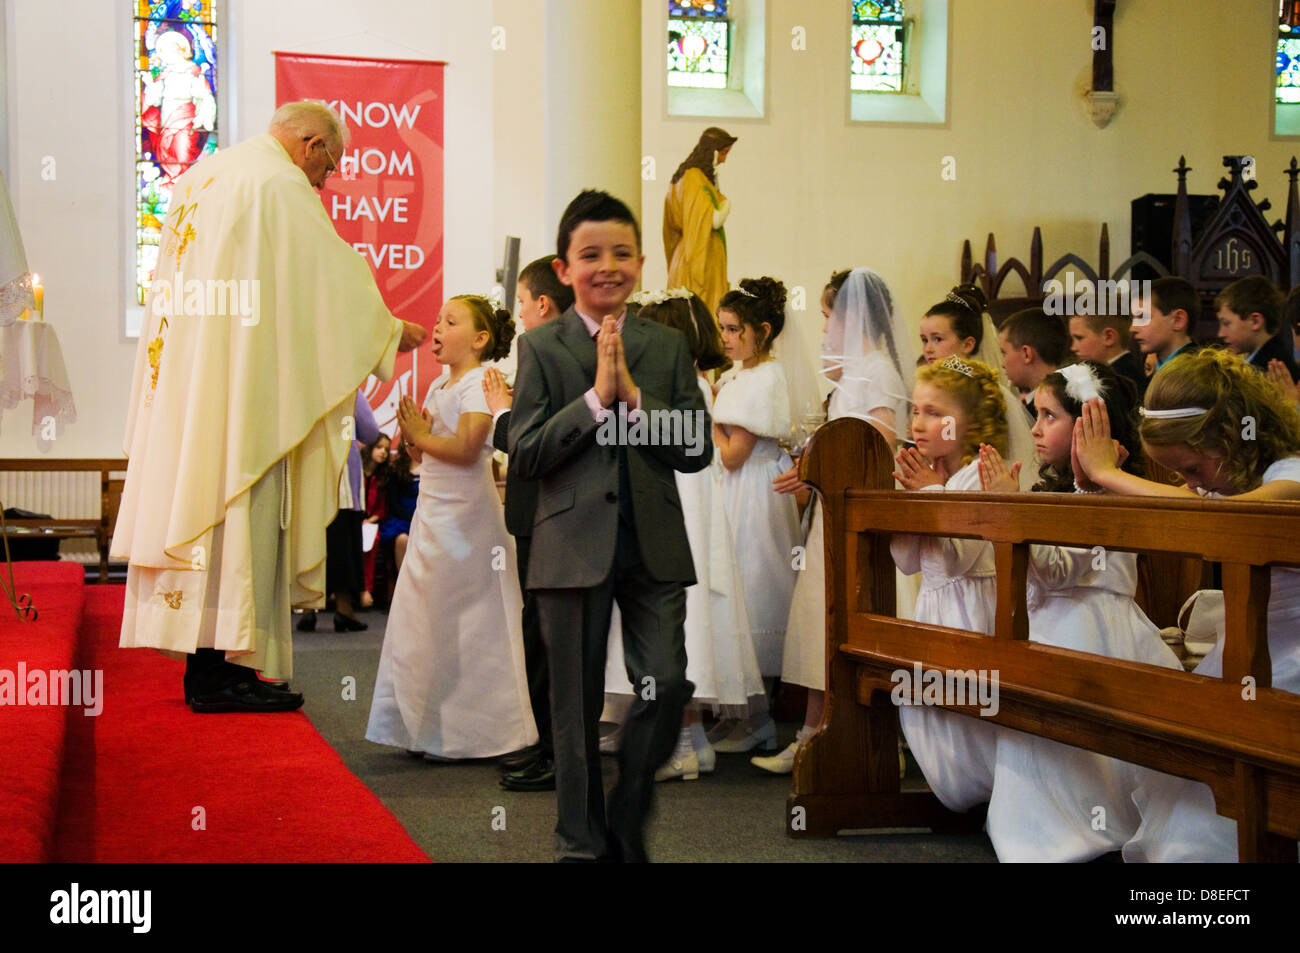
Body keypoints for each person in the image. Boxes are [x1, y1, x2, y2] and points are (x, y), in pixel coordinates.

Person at [111, 101, 426, 713]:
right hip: (239, 391)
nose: (325, 182)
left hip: (194, 378)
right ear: (310, 145)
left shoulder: (203, 174)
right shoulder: (279, 182)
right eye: (328, 168)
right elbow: (328, 275)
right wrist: (388, 330)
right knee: (237, 512)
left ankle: (222, 667)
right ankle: (217, 675)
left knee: (212, 517)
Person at [509, 190, 710, 862]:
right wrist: (595, 400)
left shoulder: (667, 344)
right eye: (590, 254)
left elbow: (695, 446)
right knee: (573, 707)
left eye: (621, 253)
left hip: (652, 543)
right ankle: (579, 842)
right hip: (569, 546)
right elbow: (529, 450)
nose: (608, 266)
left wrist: (635, 400)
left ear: (641, 262)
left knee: (666, 680)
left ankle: (627, 811)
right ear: (565, 268)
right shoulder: (540, 347)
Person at [1068, 348, 1300, 861]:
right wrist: (1096, 490)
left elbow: (1228, 520)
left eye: (1192, 467)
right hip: (1251, 648)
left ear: (1231, 438)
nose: (1191, 484)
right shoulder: (1231, 474)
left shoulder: (1291, 472)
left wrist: (1111, 474)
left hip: (1292, 658)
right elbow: (1183, 510)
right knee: (1202, 786)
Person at [976, 361, 1183, 861]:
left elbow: (1057, 572)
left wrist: (1009, 512)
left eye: (1050, 416)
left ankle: (1085, 832)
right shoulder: (1064, 492)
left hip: (1091, 628)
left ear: (1089, 424)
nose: (1036, 428)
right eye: (1037, 415)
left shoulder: (1106, 495)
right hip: (1052, 625)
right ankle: (1048, 827)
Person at [603, 289, 764, 782]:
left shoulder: (686, 385)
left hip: (682, 514)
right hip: (682, 509)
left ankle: (683, 741)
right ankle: (685, 738)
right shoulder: (685, 383)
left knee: (681, 625)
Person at [365, 295, 536, 760]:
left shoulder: (482, 381)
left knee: (466, 620)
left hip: (466, 518)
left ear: (480, 339)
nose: (437, 328)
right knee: (426, 616)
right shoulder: (441, 384)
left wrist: (421, 436)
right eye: (437, 319)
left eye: (450, 322)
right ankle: (426, 725)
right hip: (433, 511)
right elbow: (430, 450)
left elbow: (466, 449)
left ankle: (471, 732)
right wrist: (416, 444)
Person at [758, 267, 913, 774]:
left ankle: (830, 736)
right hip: (833, 508)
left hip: (855, 514)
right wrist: (811, 467)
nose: (825, 327)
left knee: (833, 620)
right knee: (816, 621)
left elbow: (879, 446)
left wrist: (820, 466)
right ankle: (812, 732)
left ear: (851, 315)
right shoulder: (856, 371)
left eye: (829, 315)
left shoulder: (877, 372)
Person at [889, 356, 1008, 813]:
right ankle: (973, 797)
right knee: (930, 711)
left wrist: (929, 496)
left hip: (971, 611)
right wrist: (913, 501)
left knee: (969, 712)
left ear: (969, 422)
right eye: (916, 410)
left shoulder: (982, 473)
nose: (918, 423)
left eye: (936, 413)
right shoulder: (939, 474)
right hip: (935, 607)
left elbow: (962, 556)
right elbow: (906, 561)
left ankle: (993, 795)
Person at [482, 254, 575, 793]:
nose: (517, 313)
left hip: (551, 514)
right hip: (543, 513)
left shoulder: (551, 351)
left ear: (542, 303)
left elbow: (536, 440)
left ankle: (558, 756)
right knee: (541, 636)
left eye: (520, 302)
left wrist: (500, 411)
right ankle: (547, 746)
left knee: (550, 639)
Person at [710, 277, 802, 753]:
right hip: (741, 489)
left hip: (753, 491)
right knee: (740, 588)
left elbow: (732, 455)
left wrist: (707, 419)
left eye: (733, 329)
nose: (724, 338)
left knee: (752, 588)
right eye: (721, 328)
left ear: (761, 331)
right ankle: (739, 714)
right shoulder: (740, 375)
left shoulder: (764, 377)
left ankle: (758, 717)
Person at [297, 390, 378, 632]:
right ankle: (344, 608)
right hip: (341, 469)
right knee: (342, 539)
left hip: (309, 466)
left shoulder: (303, 381)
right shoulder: (349, 386)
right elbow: (370, 431)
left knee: (313, 537)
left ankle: (309, 607)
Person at [663, 127, 737, 316]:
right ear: (711, 150)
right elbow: (712, 220)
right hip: (697, 259)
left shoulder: (691, 177)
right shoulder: (694, 178)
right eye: (723, 153)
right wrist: (726, 203)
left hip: (696, 254)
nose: (723, 160)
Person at [1215, 275, 1300, 382]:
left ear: (1255, 321)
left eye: (1226, 323)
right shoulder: (1254, 361)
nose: (1221, 333)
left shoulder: (1272, 371)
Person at [997, 307, 1069, 420]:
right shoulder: (1066, 396)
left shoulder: (1049, 409)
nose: (1003, 364)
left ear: (1026, 354)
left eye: (1004, 353)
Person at [1067, 310, 1147, 399]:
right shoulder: (1131, 370)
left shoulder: (1119, 382)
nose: (1073, 348)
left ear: (1109, 337)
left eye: (1079, 338)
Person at [1131, 276, 1199, 380]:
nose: (1132, 328)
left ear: (1178, 320)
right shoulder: (1153, 375)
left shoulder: (1198, 376)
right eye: (1133, 319)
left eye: (1142, 317)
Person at [360, 432, 390, 609]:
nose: (383, 452)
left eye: (386, 449)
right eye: (379, 447)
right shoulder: (357, 471)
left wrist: (370, 520)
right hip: (353, 518)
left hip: (372, 522)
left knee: (373, 541)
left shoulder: (384, 476)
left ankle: (366, 589)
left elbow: (382, 508)